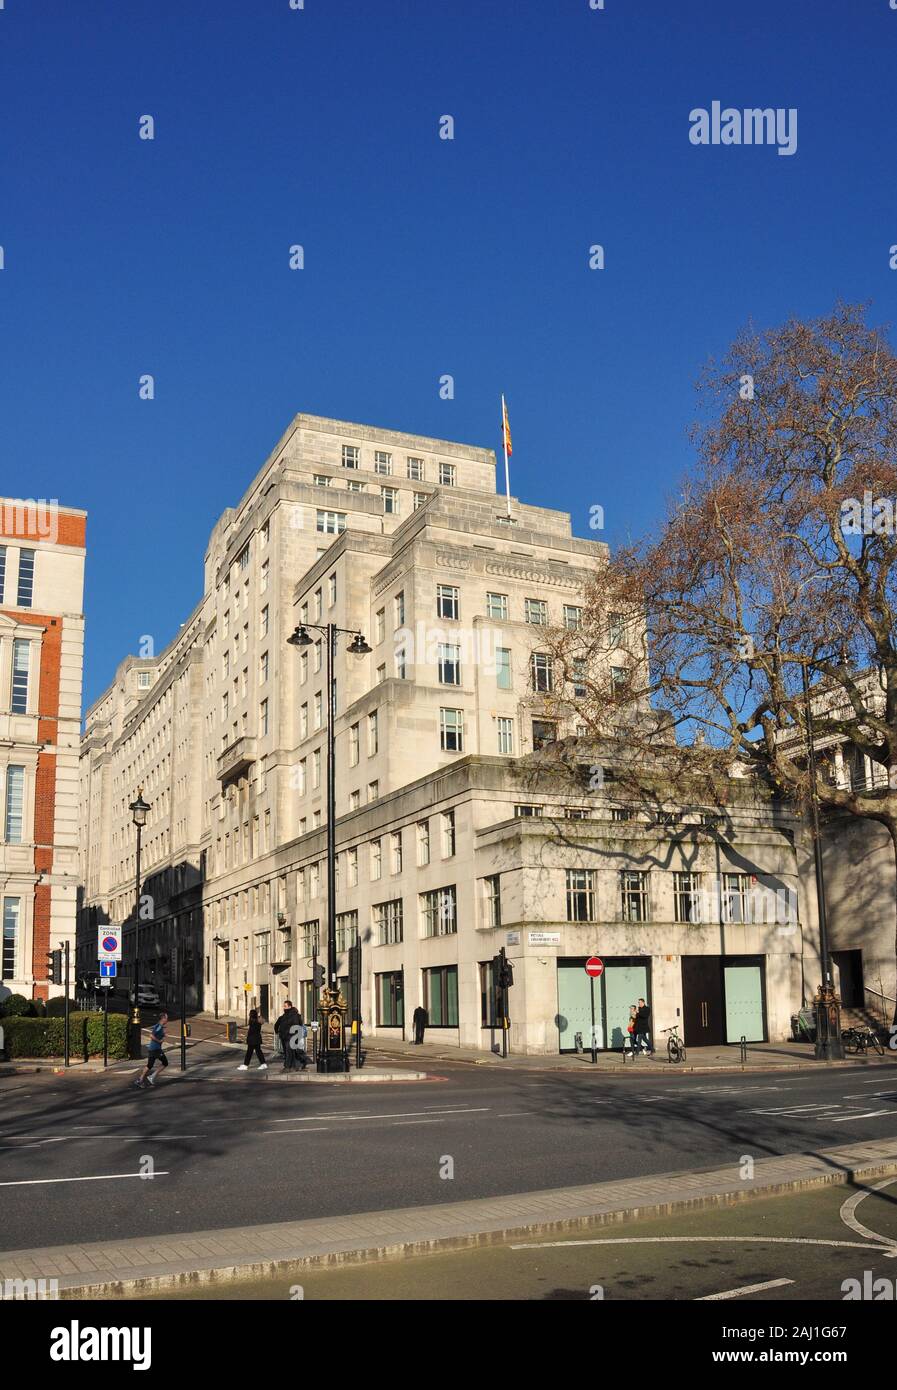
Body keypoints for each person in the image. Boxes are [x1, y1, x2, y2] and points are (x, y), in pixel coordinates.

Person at [133, 1011, 169, 1088]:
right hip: (156, 1049)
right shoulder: (158, 1026)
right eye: (166, 1018)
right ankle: (151, 1077)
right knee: (165, 1063)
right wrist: (159, 1041)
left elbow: (157, 1034)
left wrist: (163, 1035)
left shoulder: (160, 1026)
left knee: (150, 1065)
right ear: (163, 1019)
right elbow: (151, 1035)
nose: (167, 1020)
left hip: (153, 1049)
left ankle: (140, 1080)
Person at [274, 999, 302, 1072]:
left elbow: (296, 1026)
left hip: (291, 1037)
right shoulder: (284, 1016)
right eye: (283, 1006)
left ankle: (287, 1067)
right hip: (284, 1036)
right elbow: (277, 1024)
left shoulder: (294, 1015)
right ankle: (293, 1066)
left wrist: (292, 1036)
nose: (284, 1008)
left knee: (289, 1051)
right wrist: (277, 1031)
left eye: (285, 1006)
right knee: (288, 1052)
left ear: (290, 1006)